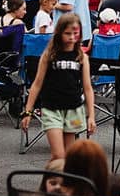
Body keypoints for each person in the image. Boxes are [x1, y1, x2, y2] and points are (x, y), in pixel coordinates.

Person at [21, 12, 96, 161]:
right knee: (58, 155)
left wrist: (91, 116)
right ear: (59, 33)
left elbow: (87, 88)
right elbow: (37, 84)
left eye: (75, 33)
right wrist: (28, 112)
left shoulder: (81, 57)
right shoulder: (49, 55)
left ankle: (64, 182)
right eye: (67, 33)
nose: (72, 37)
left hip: (73, 108)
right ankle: (53, 181)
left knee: (69, 157)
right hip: (51, 108)